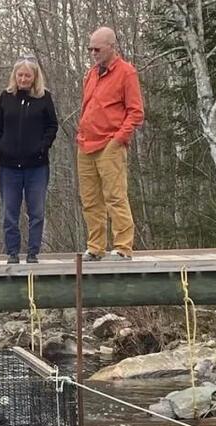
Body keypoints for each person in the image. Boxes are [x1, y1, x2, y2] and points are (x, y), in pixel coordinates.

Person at [76, 27, 144, 261]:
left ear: (111, 47)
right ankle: (95, 247)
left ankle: (123, 247)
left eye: (97, 48)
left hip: (110, 144)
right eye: (90, 49)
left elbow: (136, 113)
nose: (93, 53)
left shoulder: (126, 73)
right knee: (90, 200)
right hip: (85, 144)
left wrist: (118, 139)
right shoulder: (91, 74)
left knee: (115, 196)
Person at [0, 55, 59, 264]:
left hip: (36, 166)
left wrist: (42, 146)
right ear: (15, 76)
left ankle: (33, 252)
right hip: (9, 166)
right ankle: (12, 252)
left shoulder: (44, 98)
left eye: (27, 75)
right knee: (10, 211)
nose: (23, 79)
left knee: (36, 211)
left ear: (34, 77)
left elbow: (52, 126)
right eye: (20, 75)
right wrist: (0, 146)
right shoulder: (6, 97)